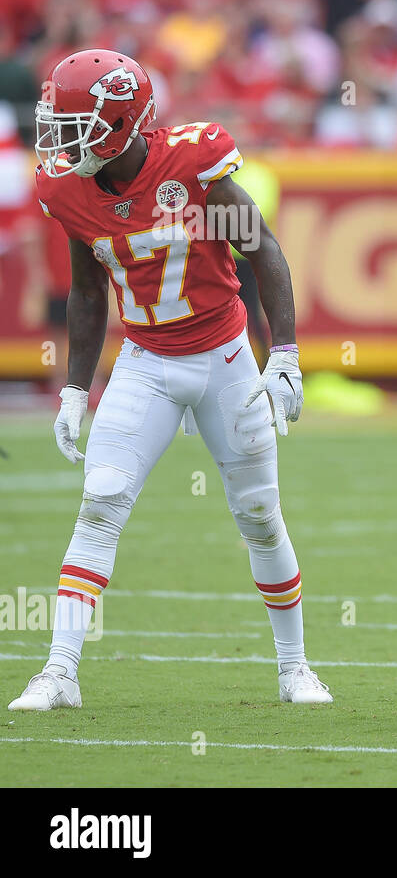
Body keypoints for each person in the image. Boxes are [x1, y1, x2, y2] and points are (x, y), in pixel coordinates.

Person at [9, 49, 331, 710]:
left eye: (74, 125)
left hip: (224, 358)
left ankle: (295, 667)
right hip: (145, 362)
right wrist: (75, 386)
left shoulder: (193, 161)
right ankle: (59, 671)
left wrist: (287, 351)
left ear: (120, 123)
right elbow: (88, 290)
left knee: (260, 515)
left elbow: (262, 247)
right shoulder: (68, 188)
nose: (62, 140)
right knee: (100, 500)